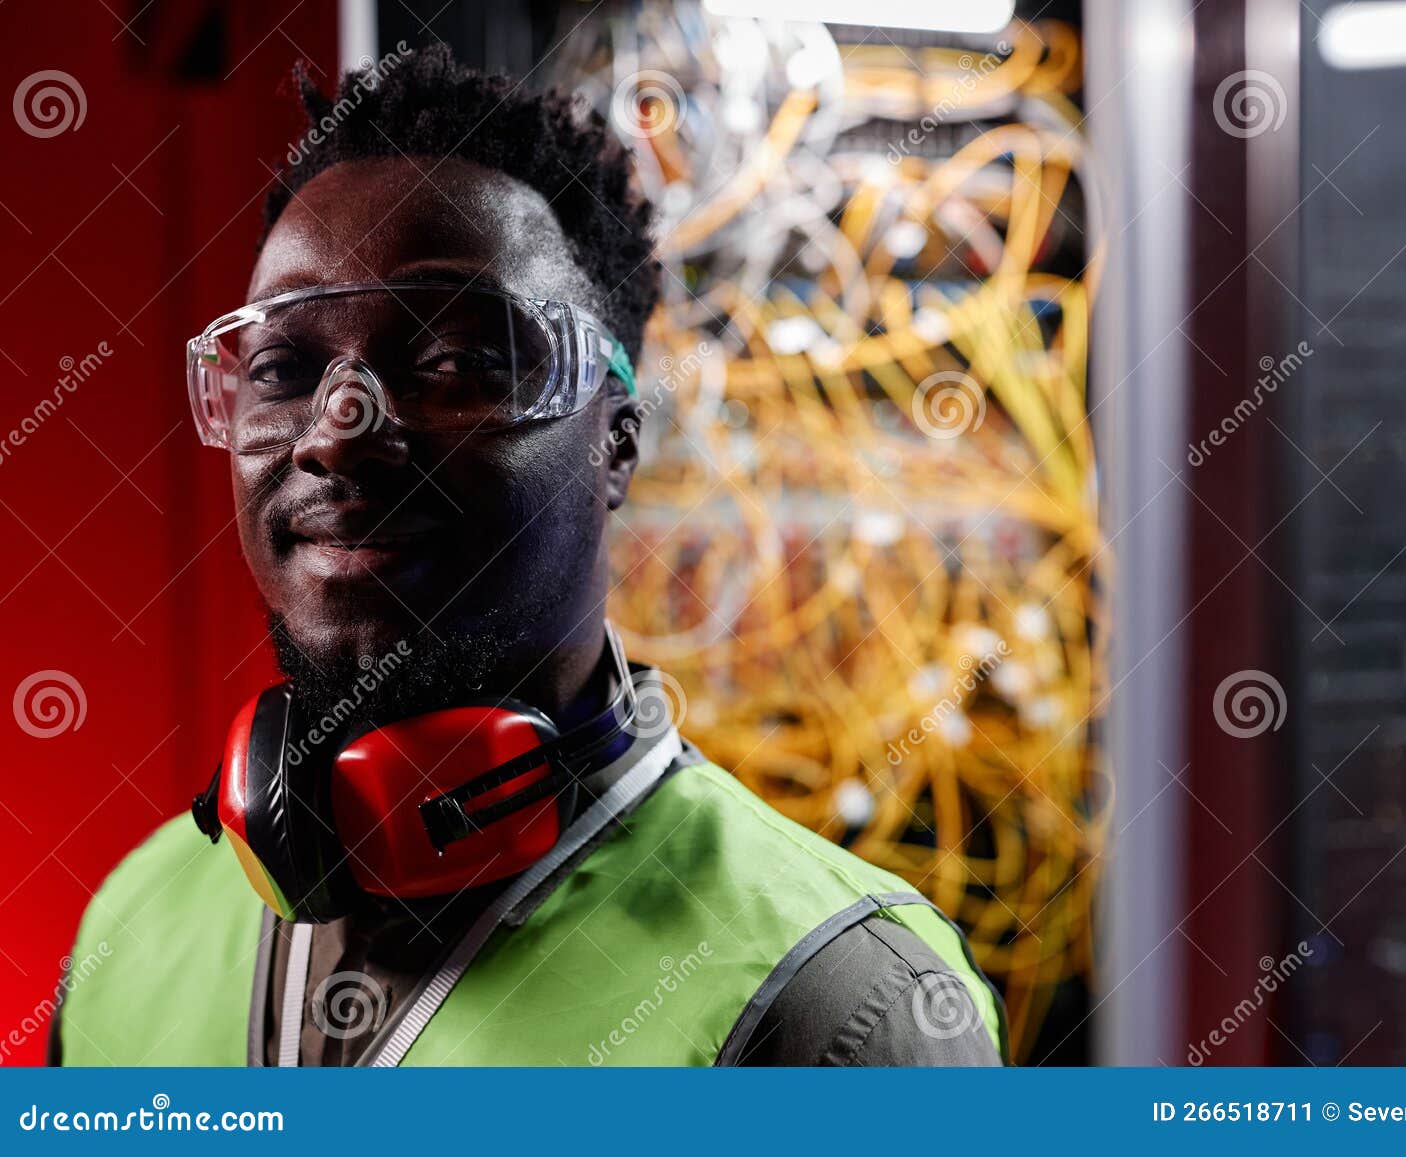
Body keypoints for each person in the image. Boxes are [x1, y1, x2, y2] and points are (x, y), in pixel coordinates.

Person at [51, 46, 1003, 1068]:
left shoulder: (830, 1000)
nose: (335, 428)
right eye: (283, 365)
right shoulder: (129, 928)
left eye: (457, 360)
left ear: (616, 443)